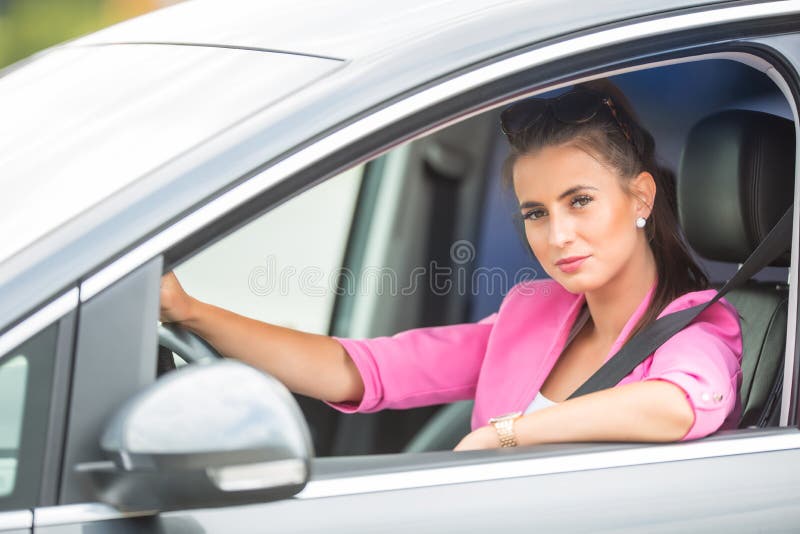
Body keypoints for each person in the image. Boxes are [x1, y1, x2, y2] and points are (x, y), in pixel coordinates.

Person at [159, 79, 742, 452]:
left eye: (580, 201)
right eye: (536, 213)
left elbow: (683, 403)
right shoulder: (532, 313)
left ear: (640, 198)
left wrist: (504, 434)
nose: (558, 235)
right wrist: (192, 313)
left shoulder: (695, 322)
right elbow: (358, 370)